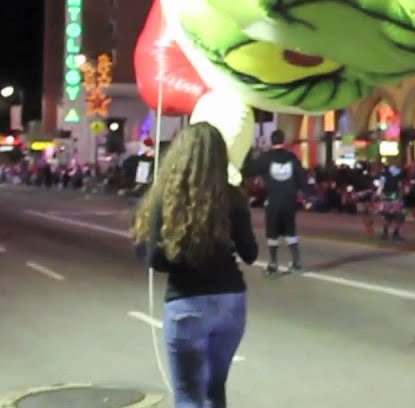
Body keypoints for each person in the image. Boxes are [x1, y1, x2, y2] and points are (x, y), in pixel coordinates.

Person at [132, 122, 258, 408]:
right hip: (230, 300)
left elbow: (151, 257)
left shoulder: (165, 197)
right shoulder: (233, 195)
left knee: (189, 396)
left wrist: (182, 251)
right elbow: (250, 253)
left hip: (186, 302)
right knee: (215, 389)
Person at [244, 129, 308, 275]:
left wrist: (247, 155)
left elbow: (249, 170)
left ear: (271, 141)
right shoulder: (292, 157)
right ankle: (297, 262)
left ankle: (273, 264)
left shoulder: (266, 157)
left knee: (272, 233)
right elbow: (302, 176)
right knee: (290, 231)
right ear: (283, 141)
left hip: (273, 201)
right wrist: (307, 194)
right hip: (289, 202)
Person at [376, 164, 406, 243]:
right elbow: (400, 187)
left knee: (388, 216)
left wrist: (378, 195)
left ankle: (385, 233)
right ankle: (395, 234)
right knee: (399, 216)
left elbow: (380, 187)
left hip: (386, 197)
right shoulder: (398, 176)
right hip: (394, 197)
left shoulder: (383, 176)